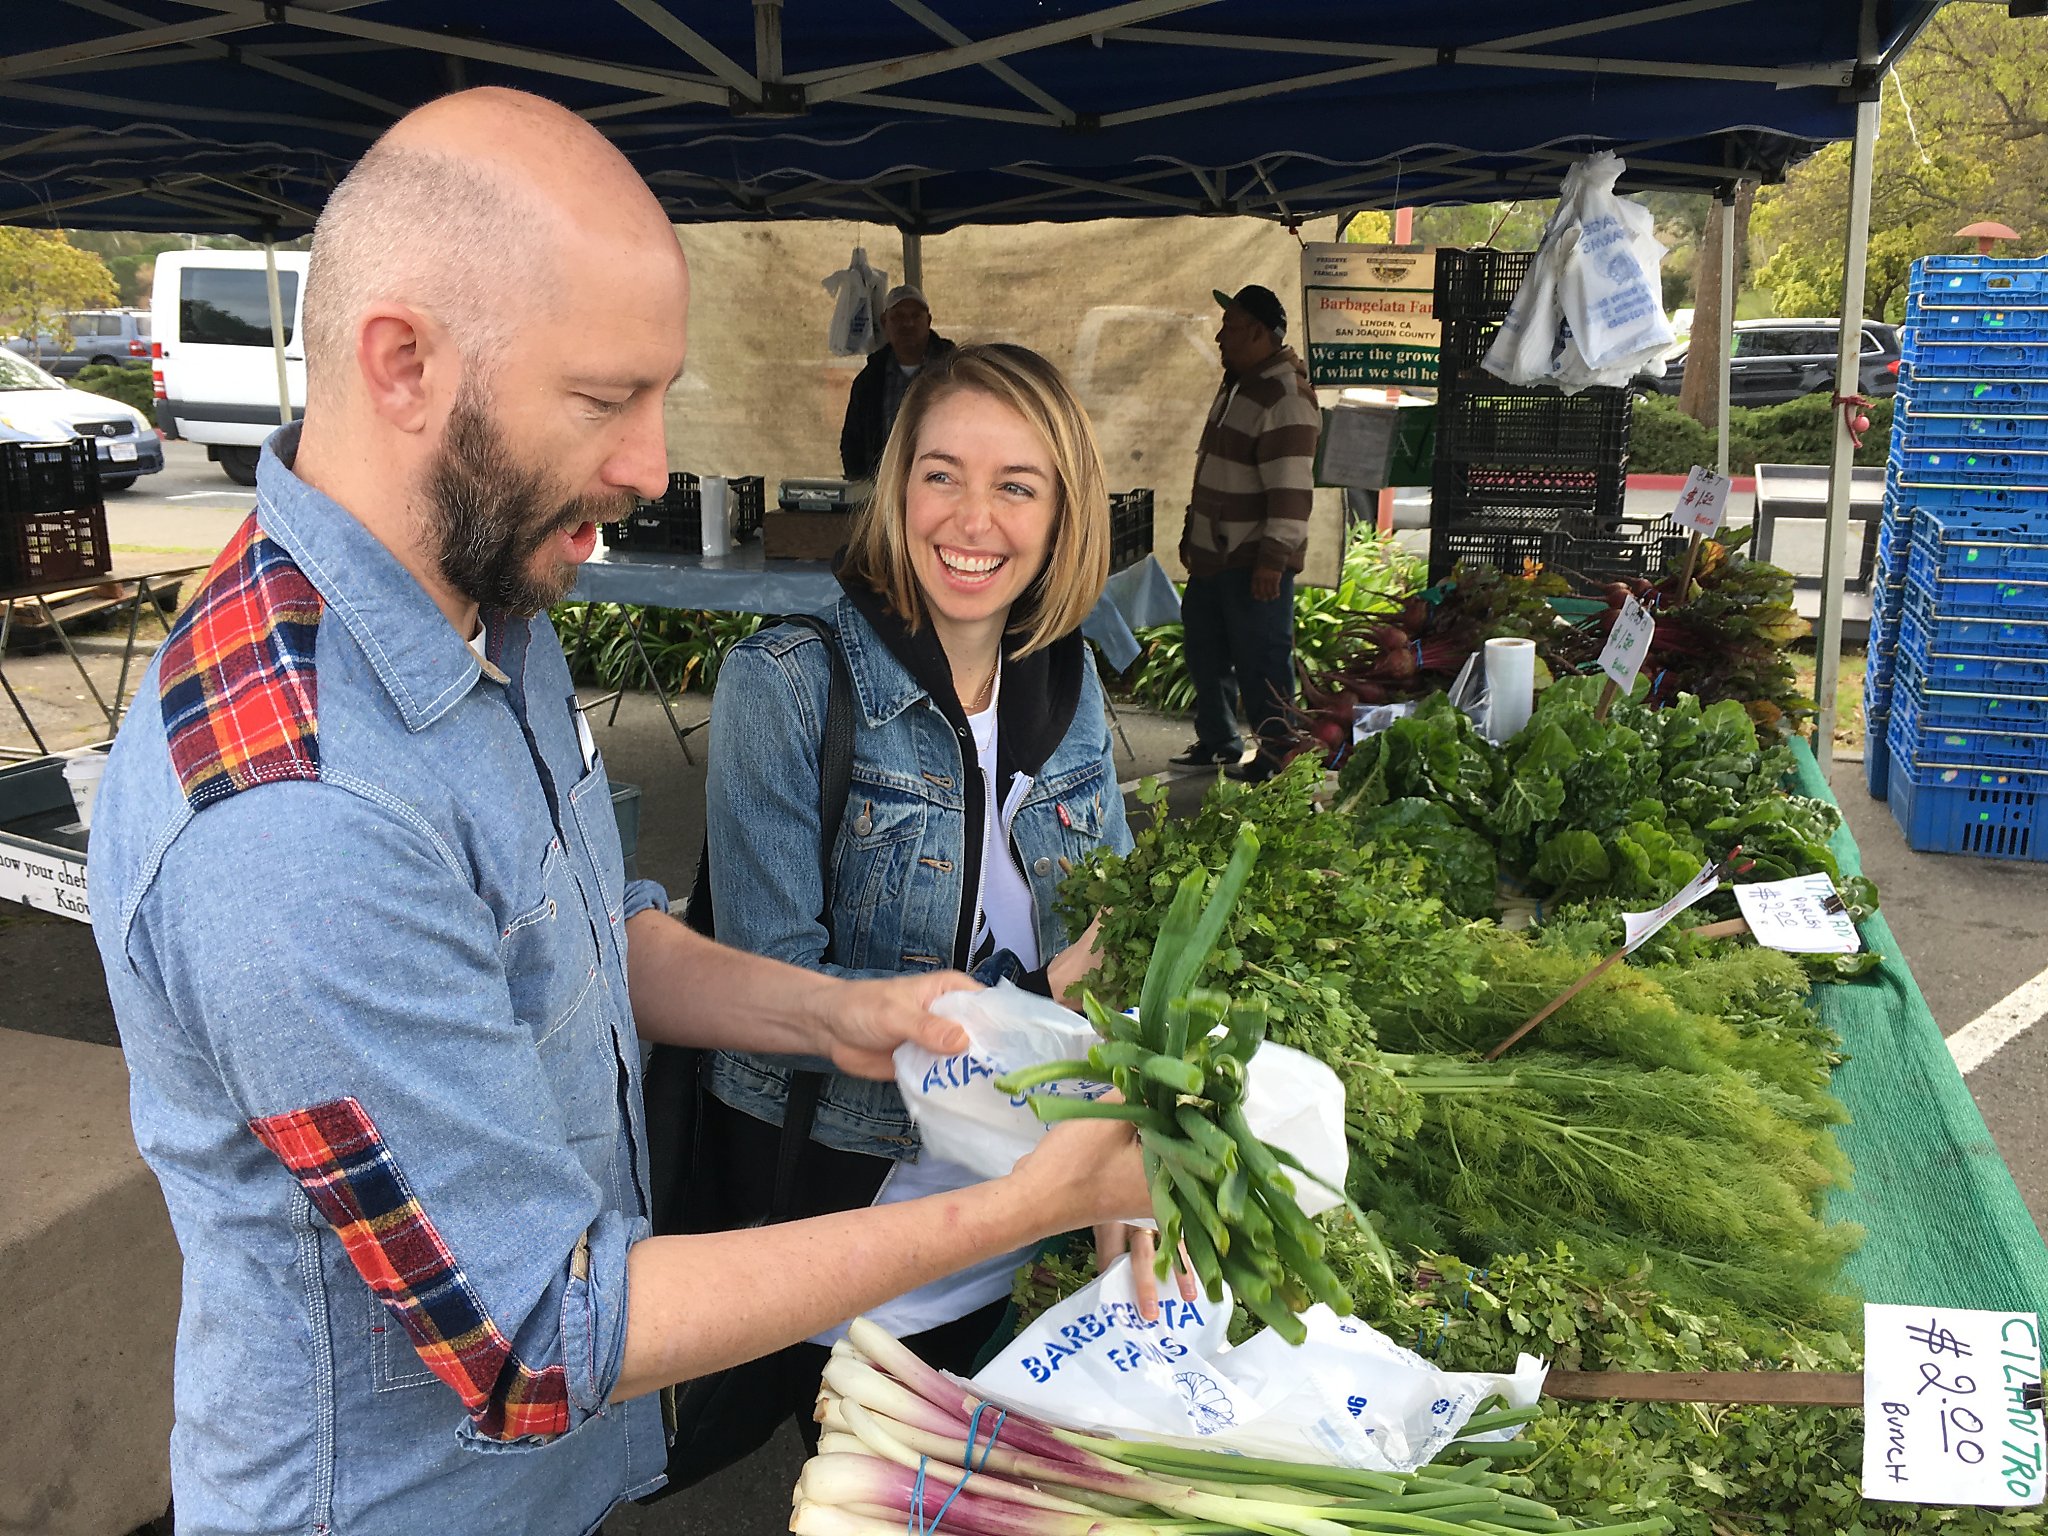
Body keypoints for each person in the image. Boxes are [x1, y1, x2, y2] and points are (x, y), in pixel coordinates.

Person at [84, 88, 1146, 1536]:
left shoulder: (486, 607)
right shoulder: (294, 818)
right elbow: (537, 1338)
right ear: (403, 363)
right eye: (604, 401)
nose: (651, 465)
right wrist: (1022, 1207)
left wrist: (841, 1012)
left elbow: (595, 932)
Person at [701, 341, 1192, 1456]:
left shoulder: (1065, 683)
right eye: (941, 475)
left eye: (1016, 486)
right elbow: (768, 997)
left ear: (1061, 513)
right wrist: (1031, 993)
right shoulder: (786, 685)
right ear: (897, 487)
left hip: (1021, 1224)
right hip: (849, 1239)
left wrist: (1135, 1150)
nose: (972, 520)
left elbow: (1113, 940)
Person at [1172, 283, 1321, 783]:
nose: (1220, 337)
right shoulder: (1240, 383)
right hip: (1215, 554)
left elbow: (1291, 490)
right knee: (1205, 650)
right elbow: (1214, 467)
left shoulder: (1285, 396)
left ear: (1259, 333)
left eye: (1230, 327)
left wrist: (1272, 560)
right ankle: (1219, 742)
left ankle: (1278, 754)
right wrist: (1193, 529)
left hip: (1253, 559)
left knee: (1262, 660)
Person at [840, 283, 955, 480]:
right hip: (884, 486)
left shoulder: (953, 371)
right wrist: (865, 486)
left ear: (928, 321)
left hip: (942, 482)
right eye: (898, 317)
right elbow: (852, 443)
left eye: (915, 316)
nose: (907, 324)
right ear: (884, 322)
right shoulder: (869, 380)